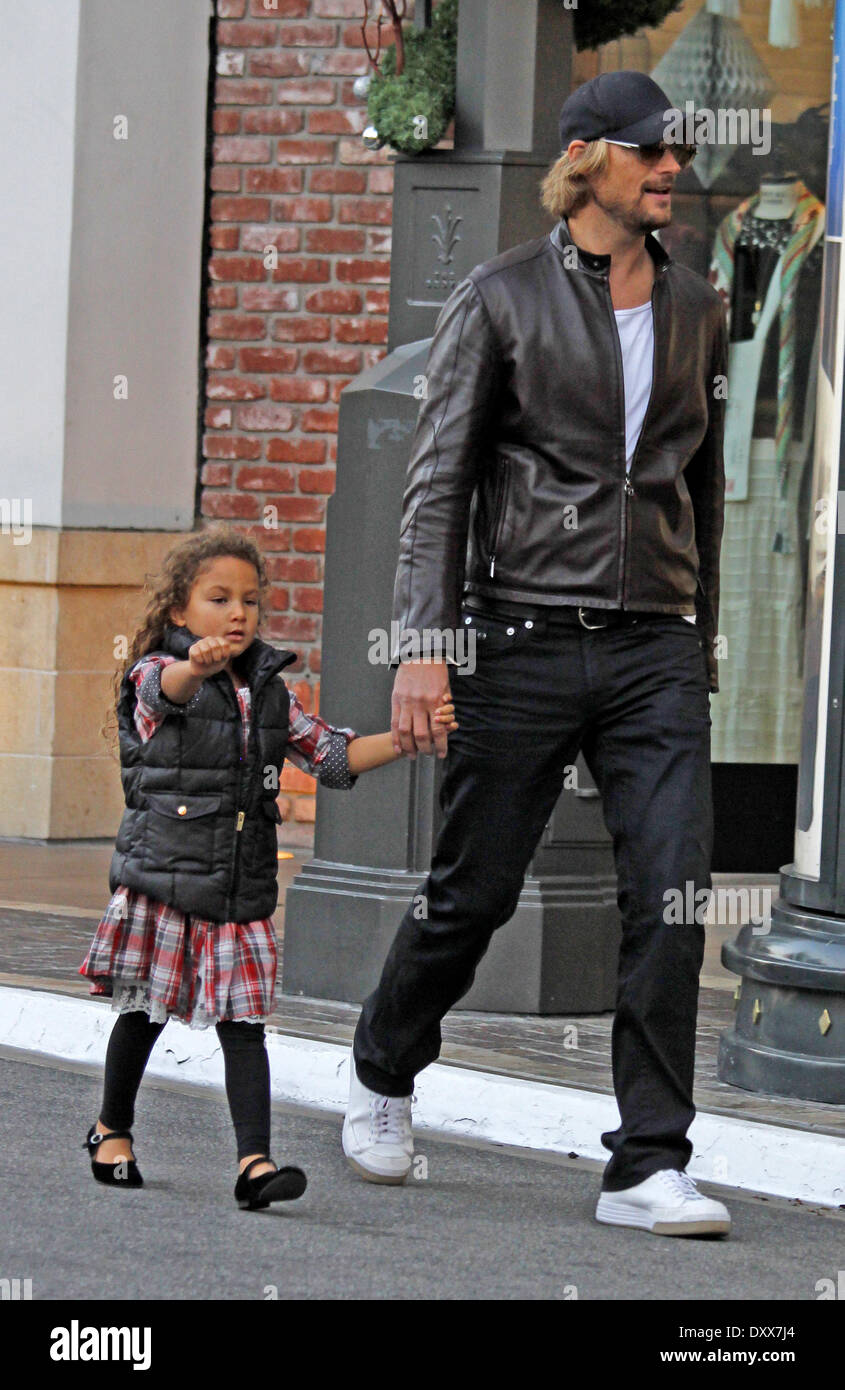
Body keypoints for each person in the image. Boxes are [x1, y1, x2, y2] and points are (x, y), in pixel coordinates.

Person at [343, 72, 733, 1238]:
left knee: (670, 891)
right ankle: (382, 1063)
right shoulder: (500, 296)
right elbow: (436, 487)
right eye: (649, 152)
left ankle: (645, 1163)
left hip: (651, 646)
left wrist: (697, 639)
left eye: (678, 154)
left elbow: (698, 490)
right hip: (516, 631)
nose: (670, 168)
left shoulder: (698, 306)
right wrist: (424, 645)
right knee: (476, 889)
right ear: (585, 158)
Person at [79, 526, 455, 1210]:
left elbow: (332, 756)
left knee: (243, 1028)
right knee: (143, 1013)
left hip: (239, 888)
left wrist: (405, 740)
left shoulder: (272, 693)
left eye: (249, 600)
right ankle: (111, 1129)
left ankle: (254, 1164)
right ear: (178, 611)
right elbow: (165, 693)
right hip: (164, 880)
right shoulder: (153, 673)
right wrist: (193, 664)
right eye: (218, 598)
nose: (238, 613)